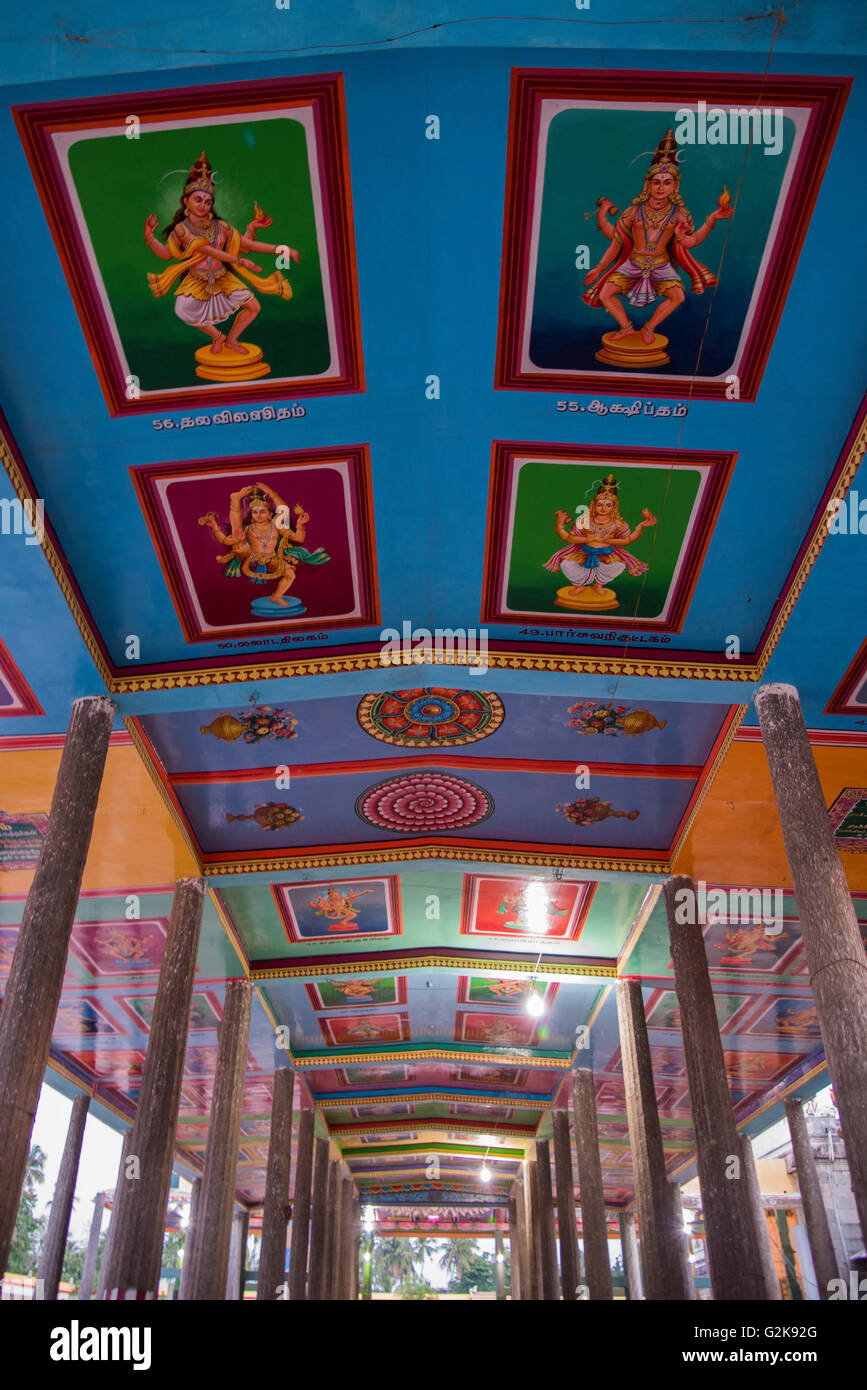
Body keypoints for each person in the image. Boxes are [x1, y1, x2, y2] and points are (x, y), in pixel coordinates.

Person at [582, 130, 732, 345]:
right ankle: (625, 328)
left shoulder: (681, 214)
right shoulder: (632, 212)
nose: (661, 188)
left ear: (675, 185)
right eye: (656, 182)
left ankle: (649, 327)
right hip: (633, 263)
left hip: (660, 265)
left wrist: (710, 220)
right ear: (648, 184)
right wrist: (599, 267)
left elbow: (692, 242)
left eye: (667, 182)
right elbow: (617, 241)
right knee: (605, 293)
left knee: (678, 297)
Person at [144, 152, 298, 353]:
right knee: (182, 310)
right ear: (185, 201)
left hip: (222, 278)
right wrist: (150, 237)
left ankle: (232, 340)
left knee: (253, 307)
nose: (203, 205)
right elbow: (172, 253)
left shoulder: (221, 226)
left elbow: (246, 245)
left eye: (207, 202)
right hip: (197, 280)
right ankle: (217, 335)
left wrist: (281, 248)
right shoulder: (181, 230)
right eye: (198, 200)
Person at [544, 473, 656, 599]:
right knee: (567, 565)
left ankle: (598, 585)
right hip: (584, 552)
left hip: (607, 553)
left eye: (608, 505)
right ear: (593, 505)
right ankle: (579, 585)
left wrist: (640, 527)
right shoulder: (585, 520)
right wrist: (587, 538)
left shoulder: (618, 524)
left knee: (618, 565)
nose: (603, 508)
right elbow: (569, 538)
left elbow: (628, 540)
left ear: (614, 507)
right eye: (600, 504)